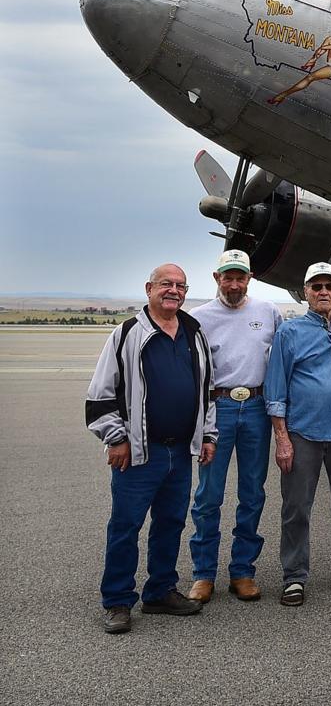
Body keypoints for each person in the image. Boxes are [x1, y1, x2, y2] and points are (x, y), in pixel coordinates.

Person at [86, 263, 217, 634]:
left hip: (180, 452)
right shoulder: (128, 333)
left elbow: (207, 392)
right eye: (165, 284)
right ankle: (117, 600)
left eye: (180, 285)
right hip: (140, 454)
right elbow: (100, 395)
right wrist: (116, 438)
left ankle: (159, 592)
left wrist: (208, 436)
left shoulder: (194, 333)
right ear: (149, 289)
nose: (173, 291)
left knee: (171, 524)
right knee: (126, 526)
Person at [265, 262, 331, 606]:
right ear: (305, 291)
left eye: (329, 286)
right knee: (296, 508)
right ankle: (294, 577)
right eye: (316, 286)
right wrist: (281, 438)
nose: (323, 291)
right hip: (303, 434)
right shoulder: (289, 332)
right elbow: (276, 389)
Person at [186, 249, 282, 604]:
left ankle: (242, 571)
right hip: (218, 408)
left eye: (240, 277)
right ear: (216, 278)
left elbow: (282, 362)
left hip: (256, 407)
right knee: (208, 496)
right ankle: (203, 574)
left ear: (250, 278)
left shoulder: (269, 312)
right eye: (228, 277)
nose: (234, 284)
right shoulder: (197, 318)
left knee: (252, 494)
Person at [266, 20, 331, 104]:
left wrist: (323, 47)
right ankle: (312, 61)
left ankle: (282, 95)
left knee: (310, 77)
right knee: (329, 38)